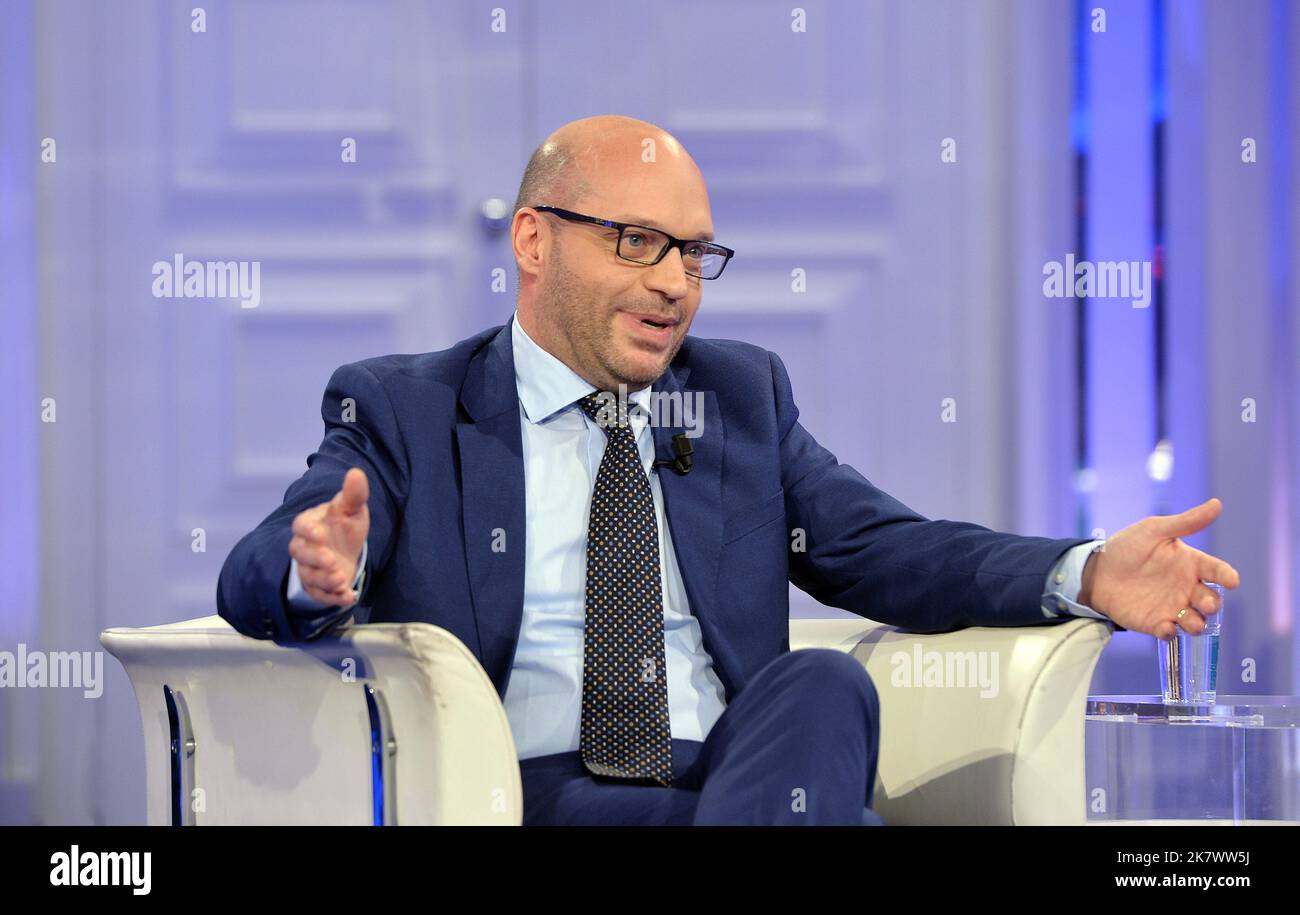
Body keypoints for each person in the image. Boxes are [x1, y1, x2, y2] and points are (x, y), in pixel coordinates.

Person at [217, 115, 1240, 826]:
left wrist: (1086, 571)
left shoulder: (740, 396)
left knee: (820, 683)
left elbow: (883, 548)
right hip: (524, 788)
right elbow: (268, 560)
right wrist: (317, 573)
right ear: (532, 240)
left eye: (694, 254)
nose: (673, 284)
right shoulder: (407, 406)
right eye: (636, 243)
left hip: (744, 771)